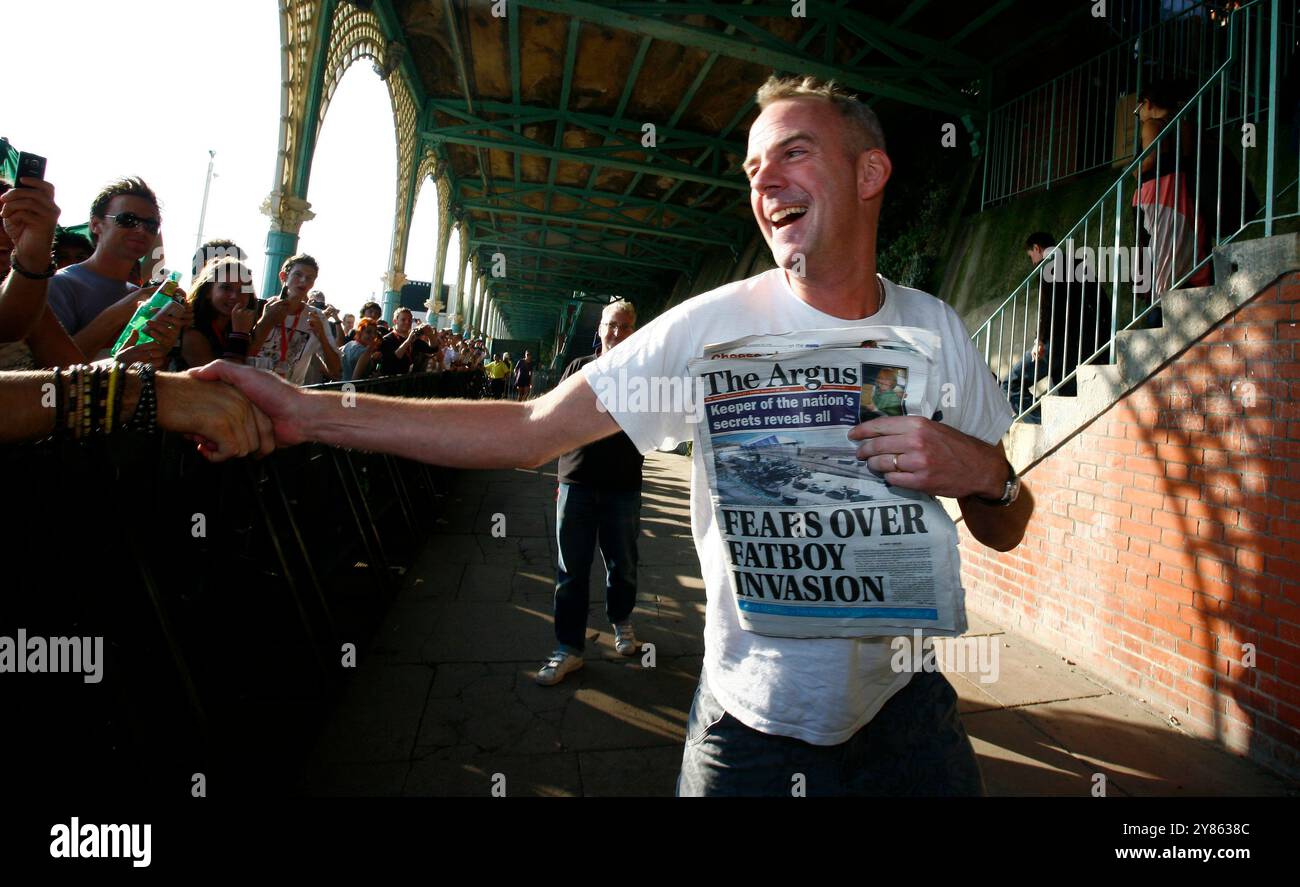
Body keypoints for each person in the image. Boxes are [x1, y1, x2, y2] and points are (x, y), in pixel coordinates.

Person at [193, 74, 1033, 797]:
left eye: (794, 152)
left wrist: (982, 472)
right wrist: (308, 412)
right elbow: (531, 428)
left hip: (909, 720)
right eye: (753, 168)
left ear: (870, 171)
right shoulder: (710, 327)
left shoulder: (936, 331)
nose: (765, 181)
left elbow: (1008, 521)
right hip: (752, 734)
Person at [537, 300, 645, 685]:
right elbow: (556, 417)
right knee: (571, 570)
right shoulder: (577, 369)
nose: (617, 333)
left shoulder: (642, 374)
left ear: (634, 331)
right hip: (577, 481)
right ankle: (568, 648)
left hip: (623, 485)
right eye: (611, 325)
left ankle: (621, 620)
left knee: (623, 564)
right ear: (599, 328)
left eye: (625, 326)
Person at [45, 176, 190, 359]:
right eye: (127, 220)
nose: (141, 230)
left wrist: (163, 345)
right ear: (96, 225)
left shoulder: (142, 297)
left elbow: (147, 365)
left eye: (151, 225)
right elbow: (50, 364)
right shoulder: (59, 284)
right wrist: (121, 312)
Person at [248, 253, 341, 384]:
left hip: (288, 393)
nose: (303, 281)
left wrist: (322, 337)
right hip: (251, 388)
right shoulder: (262, 308)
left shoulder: (317, 317)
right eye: (298, 274)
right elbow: (242, 355)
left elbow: (335, 371)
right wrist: (265, 321)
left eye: (309, 278)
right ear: (283, 276)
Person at [178, 256, 259, 368]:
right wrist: (240, 334)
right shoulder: (192, 331)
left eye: (243, 290)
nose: (234, 296)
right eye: (226, 288)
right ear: (208, 292)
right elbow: (224, 376)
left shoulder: (233, 327)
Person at [377, 307, 436, 376]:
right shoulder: (387, 339)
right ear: (395, 321)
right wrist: (408, 341)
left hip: (407, 380)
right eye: (403, 320)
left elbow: (432, 349)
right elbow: (393, 360)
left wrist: (430, 335)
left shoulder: (414, 340)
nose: (407, 322)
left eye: (410, 320)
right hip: (390, 380)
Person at [340, 317, 382, 381]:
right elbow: (356, 380)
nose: (373, 335)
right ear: (360, 332)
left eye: (375, 332)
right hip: (353, 386)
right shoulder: (365, 351)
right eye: (368, 332)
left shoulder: (349, 344)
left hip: (341, 384)